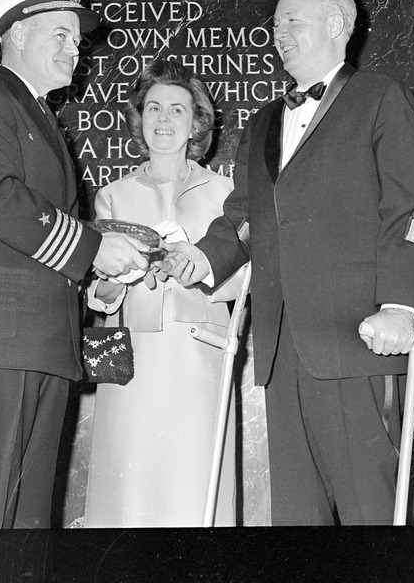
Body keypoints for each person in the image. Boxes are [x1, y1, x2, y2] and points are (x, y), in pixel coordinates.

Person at [161, 0, 414, 525]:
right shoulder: (265, 119)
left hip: (359, 338)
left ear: (336, 25)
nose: (278, 31)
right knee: (295, 520)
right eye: (276, 22)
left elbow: (413, 214)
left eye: (292, 20)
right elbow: (245, 218)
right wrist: (204, 258)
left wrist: (401, 308)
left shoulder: (381, 97)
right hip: (282, 347)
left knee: (373, 513)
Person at [0, 0, 151, 529]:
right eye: (60, 34)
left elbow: (44, 229)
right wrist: (92, 248)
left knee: (26, 526)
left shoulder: (40, 116)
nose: (74, 49)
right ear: (17, 35)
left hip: (44, 343)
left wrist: (91, 283)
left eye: (77, 40)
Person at [83, 59, 247, 528]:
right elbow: (99, 291)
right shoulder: (112, 195)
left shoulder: (227, 193)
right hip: (133, 359)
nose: (163, 119)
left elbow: (244, 280)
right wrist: (119, 278)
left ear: (197, 121)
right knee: (130, 495)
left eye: (176, 110)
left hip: (201, 356)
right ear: (139, 119)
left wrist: (197, 269)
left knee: (195, 492)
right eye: (153, 108)